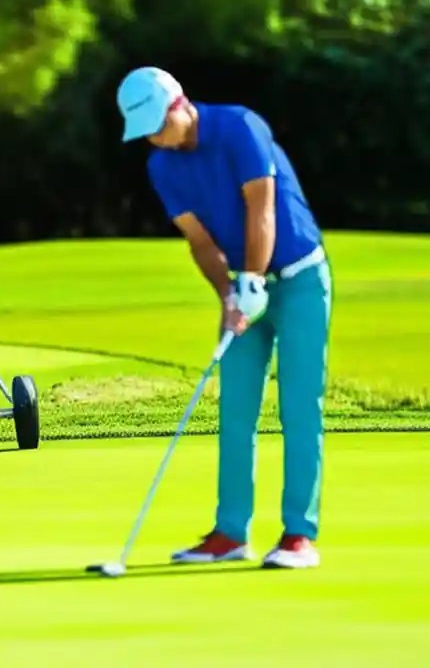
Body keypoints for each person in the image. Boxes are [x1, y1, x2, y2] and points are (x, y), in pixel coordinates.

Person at [116, 66, 333, 570]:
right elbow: (200, 241)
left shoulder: (240, 127)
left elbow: (262, 210)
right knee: (235, 409)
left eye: (159, 124)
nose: (155, 137)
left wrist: (253, 279)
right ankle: (230, 532)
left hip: (300, 278)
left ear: (180, 104)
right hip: (243, 289)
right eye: (147, 131)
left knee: (300, 407)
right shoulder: (162, 166)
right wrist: (230, 294)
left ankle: (299, 535)